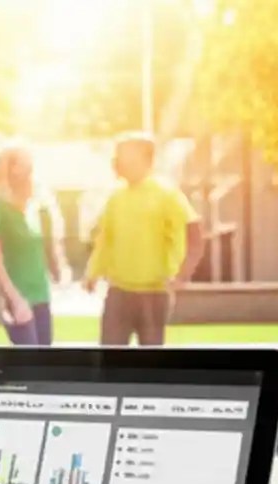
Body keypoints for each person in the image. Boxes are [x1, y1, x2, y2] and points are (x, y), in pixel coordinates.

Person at [83, 133, 204, 346]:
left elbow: (194, 232)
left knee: (151, 363)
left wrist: (183, 273)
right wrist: (92, 273)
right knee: (109, 361)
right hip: (118, 293)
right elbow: (105, 241)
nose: (118, 162)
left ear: (144, 159)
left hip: (153, 293)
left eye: (124, 156)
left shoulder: (166, 194)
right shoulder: (115, 198)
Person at [0, 144, 65, 346]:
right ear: (9, 172)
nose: (29, 174)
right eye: (23, 167)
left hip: (41, 297)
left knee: (45, 366)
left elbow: (47, 251)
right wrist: (15, 300)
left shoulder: (38, 210)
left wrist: (57, 269)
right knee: (29, 363)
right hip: (18, 299)